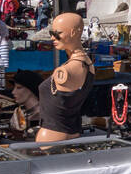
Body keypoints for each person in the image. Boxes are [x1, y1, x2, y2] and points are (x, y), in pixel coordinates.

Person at [35, 12, 95, 142]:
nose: (52, 38)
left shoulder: (66, 70)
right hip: (71, 132)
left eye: (58, 33)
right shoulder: (87, 64)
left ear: (73, 32)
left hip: (51, 135)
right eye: (52, 33)